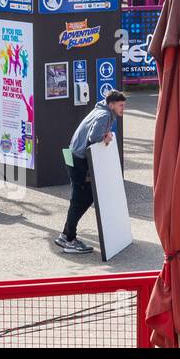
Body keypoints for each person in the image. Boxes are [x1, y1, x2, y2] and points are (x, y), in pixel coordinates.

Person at [56, 91, 124, 254]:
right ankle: (69, 238)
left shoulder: (100, 110)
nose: (123, 109)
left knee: (81, 197)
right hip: (78, 160)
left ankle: (67, 234)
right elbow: (94, 138)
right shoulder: (104, 115)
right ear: (111, 104)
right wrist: (105, 138)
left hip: (72, 155)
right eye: (121, 105)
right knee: (81, 198)